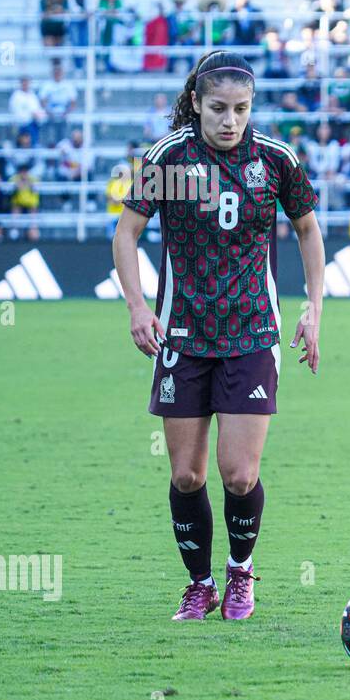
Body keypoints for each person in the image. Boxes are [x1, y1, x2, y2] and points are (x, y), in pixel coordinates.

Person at [110, 49, 326, 622]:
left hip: (253, 333)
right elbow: (126, 233)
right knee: (186, 474)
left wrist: (314, 309)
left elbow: (308, 229)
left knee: (239, 472)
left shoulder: (275, 160)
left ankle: (240, 574)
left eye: (241, 110)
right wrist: (137, 307)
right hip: (181, 334)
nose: (230, 121)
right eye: (218, 110)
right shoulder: (169, 160)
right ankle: (199, 584)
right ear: (197, 105)